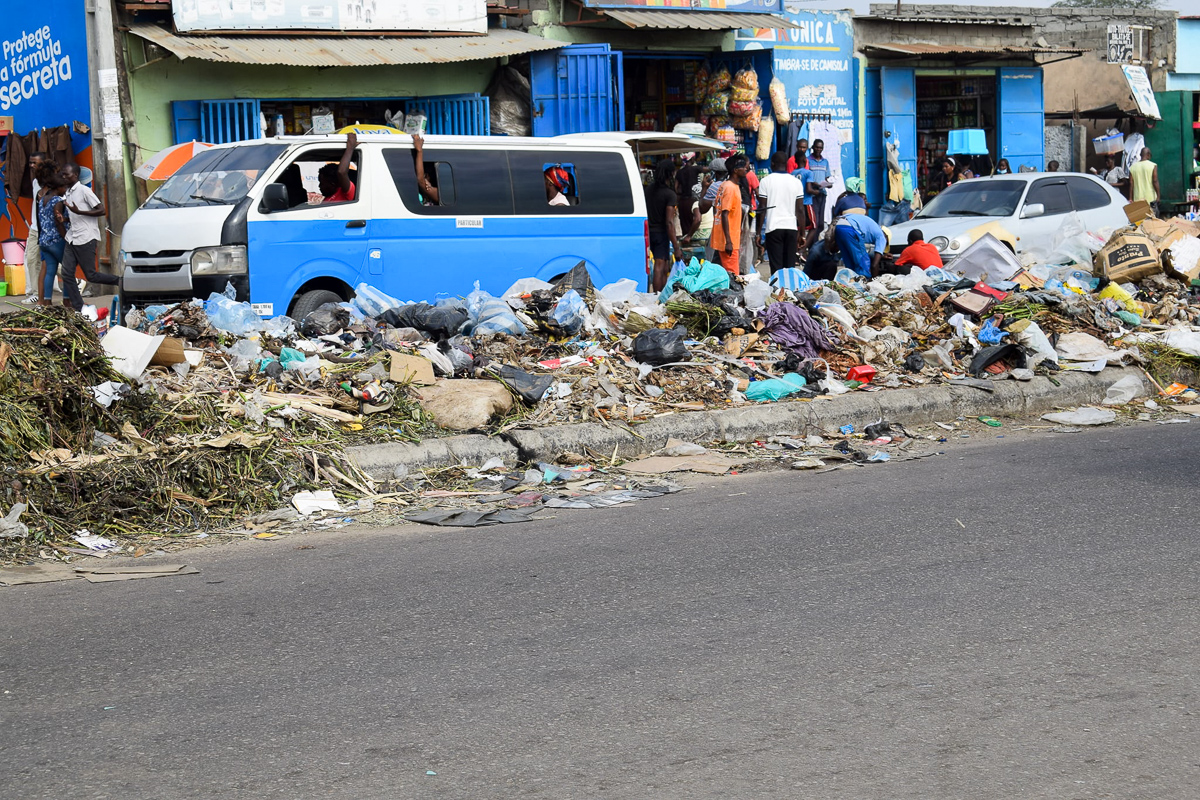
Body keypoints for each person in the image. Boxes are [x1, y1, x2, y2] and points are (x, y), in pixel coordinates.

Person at [59, 163, 118, 311]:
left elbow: (101, 210)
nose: (64, 177)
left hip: (86, 237)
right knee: (66, 273)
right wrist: (65, 219)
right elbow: (75, 214)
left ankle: (120, 281)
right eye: (63, 174)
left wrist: (79, 212)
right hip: (72, 237)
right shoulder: (68, 192)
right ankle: (79, 307)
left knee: (91, 275)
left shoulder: (84, 191)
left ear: (76, 176)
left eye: (66, 174)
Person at [756, 152, 806, 275]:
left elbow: (762, 208)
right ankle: (790, 292)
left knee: (776, 268)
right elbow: (800, 210)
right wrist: (802, 234)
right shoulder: (796, 182)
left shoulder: (765, 181)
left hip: (774, 228)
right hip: (791, 228)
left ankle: (778, 292)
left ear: (772, 164)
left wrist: (758, 233)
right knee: (790, 267)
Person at [709, 155, 748, 278]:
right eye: (744, 168)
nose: (746, 170)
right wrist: (729, 241)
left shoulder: (726, 185)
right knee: (733, 276)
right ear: (736, 170)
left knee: (726, 275)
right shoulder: (730, 188)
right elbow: (724, 213)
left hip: (726, 238)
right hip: (728, 240)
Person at [646, 159, 682, 292]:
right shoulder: (669, 194)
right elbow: (669, 222)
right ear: (671, 174)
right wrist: (676, 246)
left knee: (662, 265)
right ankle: (657, 295)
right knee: (660, 265)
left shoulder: (648, 190)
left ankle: (657, 294)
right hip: (661, 234)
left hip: (649, 232)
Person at [21, 152, 50, 304]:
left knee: (51, 260)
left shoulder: (51, 182)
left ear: (43, 163)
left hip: (47, 229)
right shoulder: (35, 182)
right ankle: (35, 293)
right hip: (34, 228)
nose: (32, 165)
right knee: (32, 259)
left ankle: (76, 282)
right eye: (30, 162)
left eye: (35, 163)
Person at [36, 174, 69, 306]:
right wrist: (66, 238)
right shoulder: (57, 201)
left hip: (44, 240)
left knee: (50, 271)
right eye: (64, 187)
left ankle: (47, 301)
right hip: (56, 240)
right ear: (58, 187)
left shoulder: (42, 199)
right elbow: (58, 222)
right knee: (67, 270)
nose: (66, 189)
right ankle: (67, 300)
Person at [833, 212, 888, 278]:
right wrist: (874, 280)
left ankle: (852, 281)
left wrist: (883, 256)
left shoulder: (873, 228)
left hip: (838, 226)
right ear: (886, 237)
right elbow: (874, 264)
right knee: (863, 261)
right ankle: (863, 281)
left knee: (849, 260)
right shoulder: (882, 237)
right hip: (850, 227)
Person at [319, 132, 357, 203]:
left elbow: (341, 172)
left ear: (332, 184)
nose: (319, 186)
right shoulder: (328, 197)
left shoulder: (346, 193)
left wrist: (350, 148)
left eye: (322, 183)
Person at [806, 139, 833, 238]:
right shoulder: (808, 160)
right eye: (817, 147)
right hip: (812, 194)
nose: (818, 149)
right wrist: (815, 184)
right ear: (813, 147)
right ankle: (812, 244)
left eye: (820, 147)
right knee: (815, 221)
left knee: (821, 222)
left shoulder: (825, 162)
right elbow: (806, 177)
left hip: (822, 193)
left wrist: (828, 184)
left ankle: (815, 242)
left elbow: (826, 177)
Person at [1130, 147, 1160, 214]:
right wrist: (1158, 196)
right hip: (1150, 199)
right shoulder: (1153, 165)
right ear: (1148, 155)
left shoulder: (1132, 167)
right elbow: (1155, 181)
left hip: (1138, 200)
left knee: (1141, 222)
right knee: (1153, 221)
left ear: (1140, 155)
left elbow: (1131, 183)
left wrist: (1130, 198)